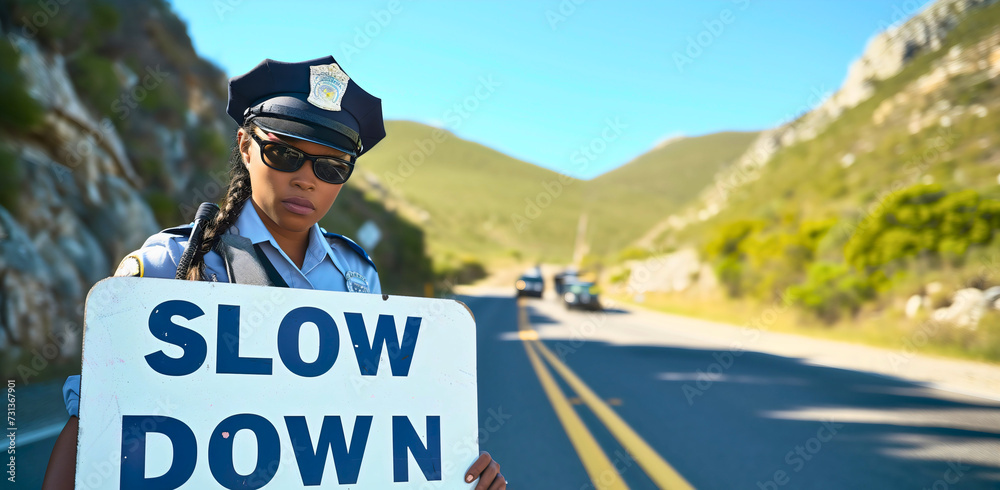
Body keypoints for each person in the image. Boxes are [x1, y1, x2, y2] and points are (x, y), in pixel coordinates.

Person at [43, 56, 506, 489]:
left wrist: (451, 471)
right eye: (285, 155)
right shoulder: (172, 263)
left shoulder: (358, 277)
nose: (306, 179)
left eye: (331, 167)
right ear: (246, 146)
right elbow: (94, 422)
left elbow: (378, 430)